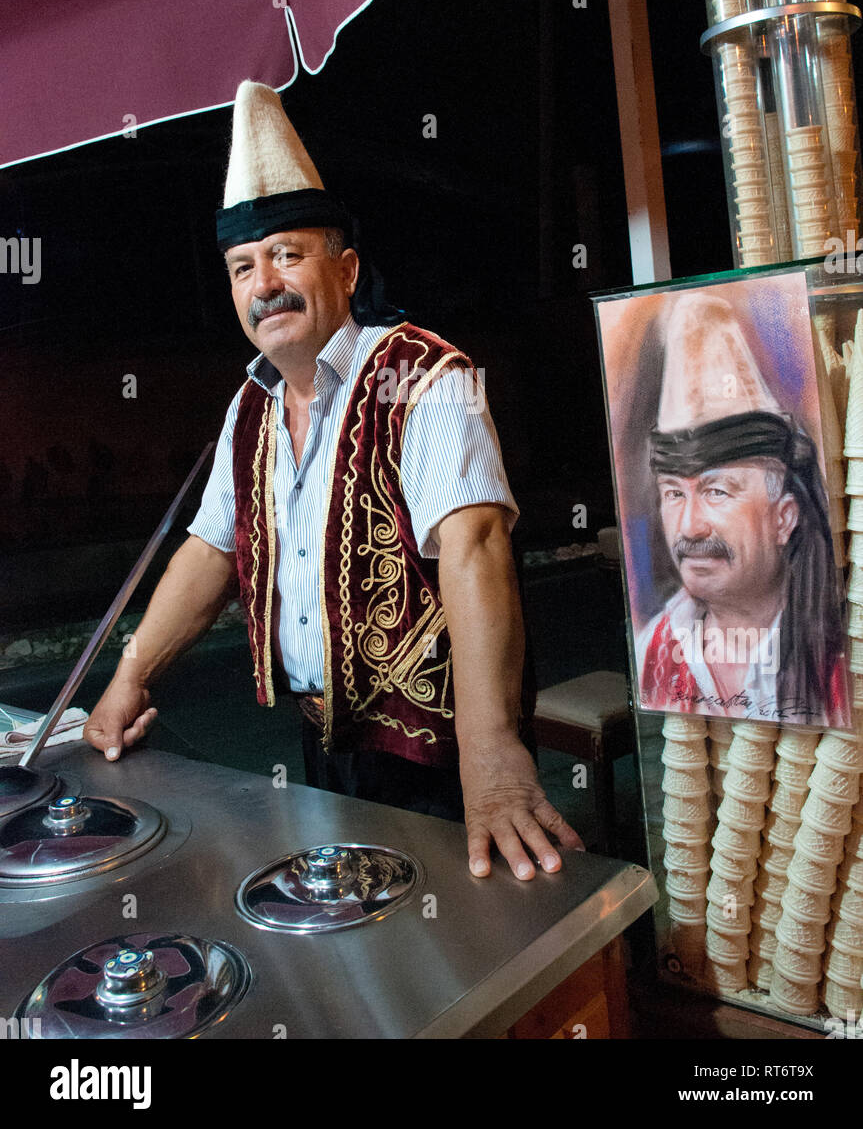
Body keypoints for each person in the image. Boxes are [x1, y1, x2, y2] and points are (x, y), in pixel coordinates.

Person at [85, 81, 584, 880]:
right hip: (323, 739)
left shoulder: (422, 374)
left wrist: (491, 754)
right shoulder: (250, 406)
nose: (264, 283)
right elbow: (211, 551)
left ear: (346, 269)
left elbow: (476, 545)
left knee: (467, 949)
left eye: (288, 254)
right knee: (355, 934)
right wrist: (129, 680)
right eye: (243, 266)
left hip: (442, 747)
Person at [636, 291, 849, 727]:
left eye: (717, 491)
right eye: (675, 493)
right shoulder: (653, 648)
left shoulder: (841, 655)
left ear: (784, 517)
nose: (690, 528)